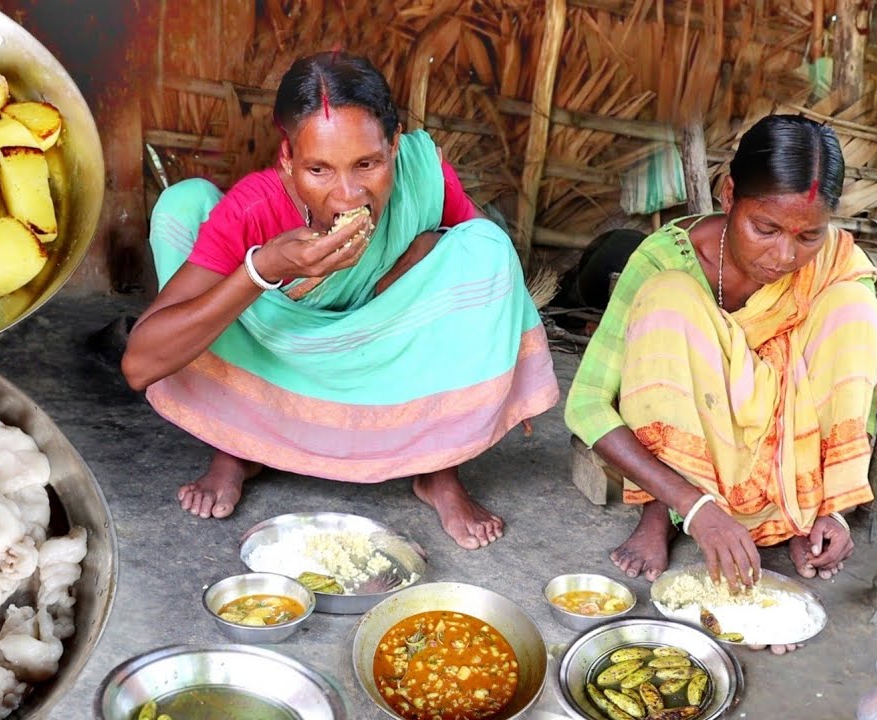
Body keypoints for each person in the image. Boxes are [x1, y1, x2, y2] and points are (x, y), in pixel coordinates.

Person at [121, 51, 559, 549]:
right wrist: (261, 271)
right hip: (278, 355)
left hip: (375, 340)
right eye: (319, 170)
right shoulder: (255, 208)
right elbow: (140, 364)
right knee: (185, 209)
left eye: (367, 164)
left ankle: (438, 467)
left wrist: (414, 256)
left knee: (487, 247)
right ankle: (236, 445)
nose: (348, 195)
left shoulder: (421, 170)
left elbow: (481, 256)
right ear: (288, 159)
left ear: (394, 145)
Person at [565, 115, 877, 615]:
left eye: (809, 236)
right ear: (728, 193)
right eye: (765, 228)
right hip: (693, 462)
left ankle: (803, 514)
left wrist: (836, 511)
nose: (785, 255)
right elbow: (586, 404)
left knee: (859, 313)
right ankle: (660, 512)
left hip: (791, 465)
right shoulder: (666, 259)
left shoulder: (835, 266)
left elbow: (855, 391)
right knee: (669, 299)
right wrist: (695, 509)